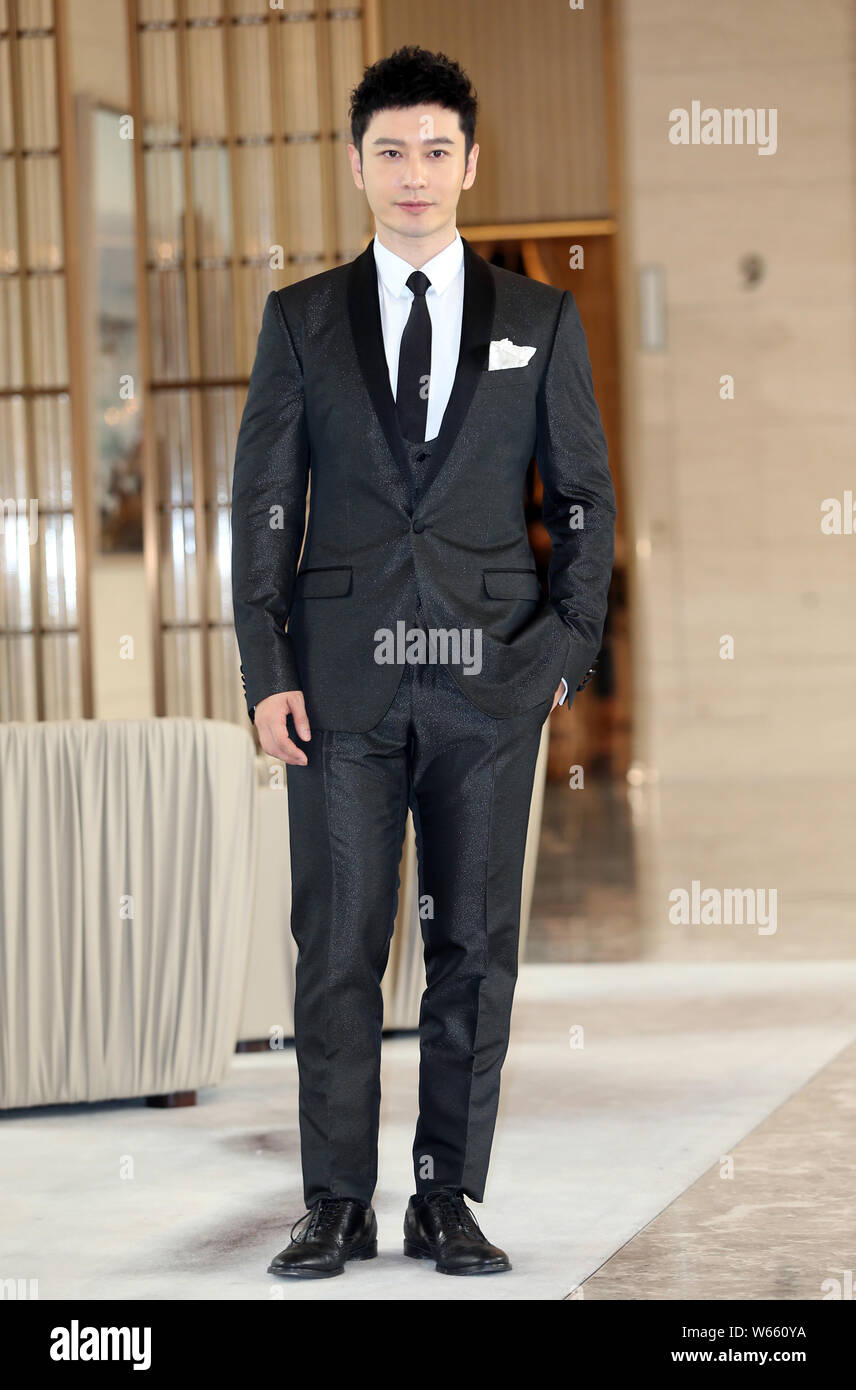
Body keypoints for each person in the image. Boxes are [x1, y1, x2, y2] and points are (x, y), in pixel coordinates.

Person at [231, 45, 616, 1278]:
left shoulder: (537, 319)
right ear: (355, 165)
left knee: (473, 947)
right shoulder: (299, 321)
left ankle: (445, 1196)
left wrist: (563, 648)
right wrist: (265, 666)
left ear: (469, 164)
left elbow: (588, 501)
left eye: (434, 151)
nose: (412, 174)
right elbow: (265, 507)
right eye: (388, 151)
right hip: (338, 685)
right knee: (336, 945)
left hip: (491, 679)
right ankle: (334, 1199)